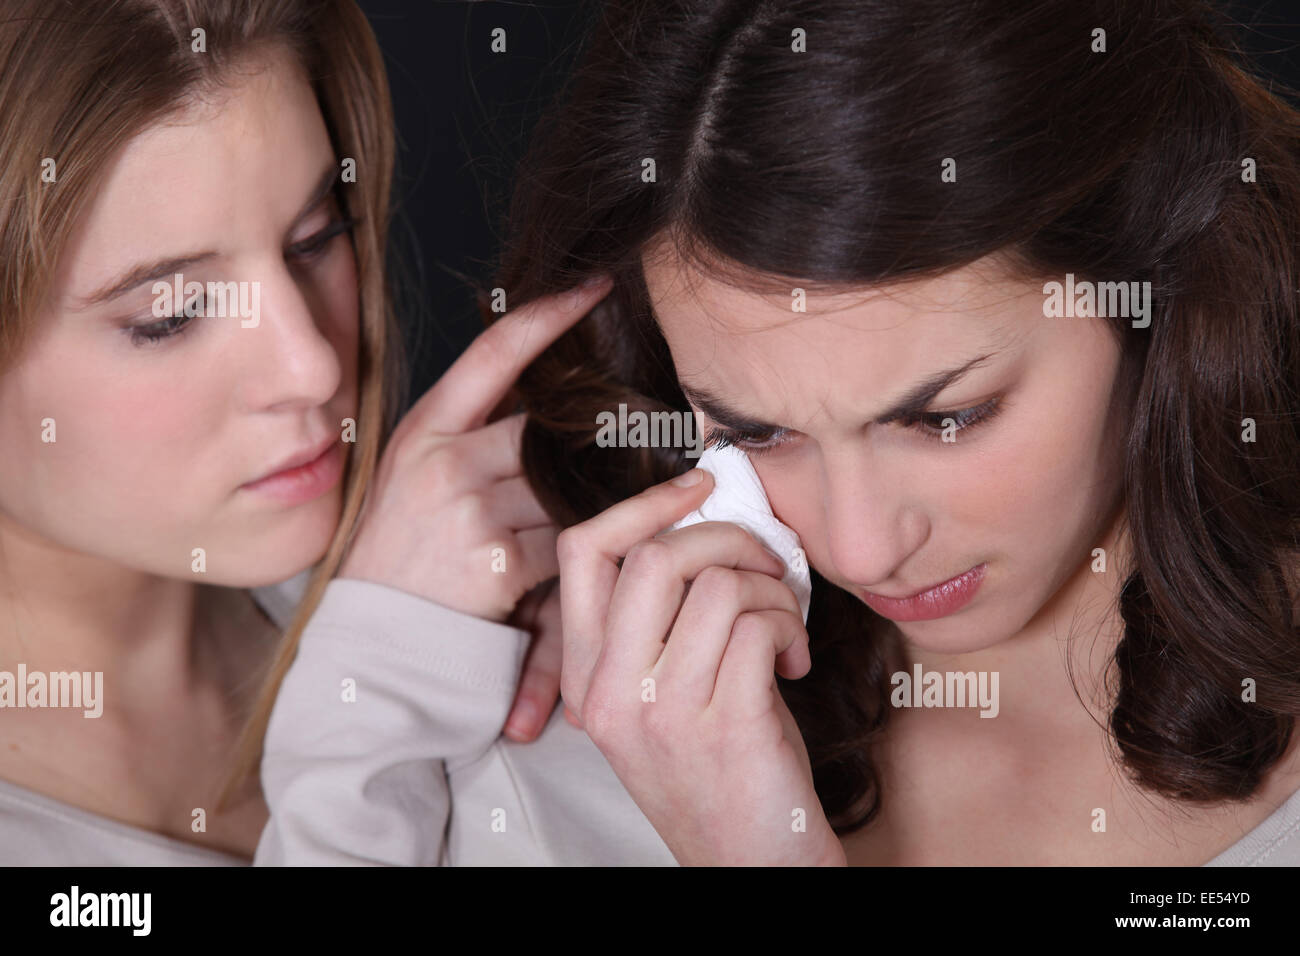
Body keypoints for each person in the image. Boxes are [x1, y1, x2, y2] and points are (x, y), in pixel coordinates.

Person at [495, 0, 1300, 864]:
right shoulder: (584, 737)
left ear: (1152, 289)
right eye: (755, 432)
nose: (863, 548)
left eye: (947, 418)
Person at [0, 0, 671, 866]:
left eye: (317, 237)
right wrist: (377, 698)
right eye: (172, 313)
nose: (311, 365)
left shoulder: (444, 598)